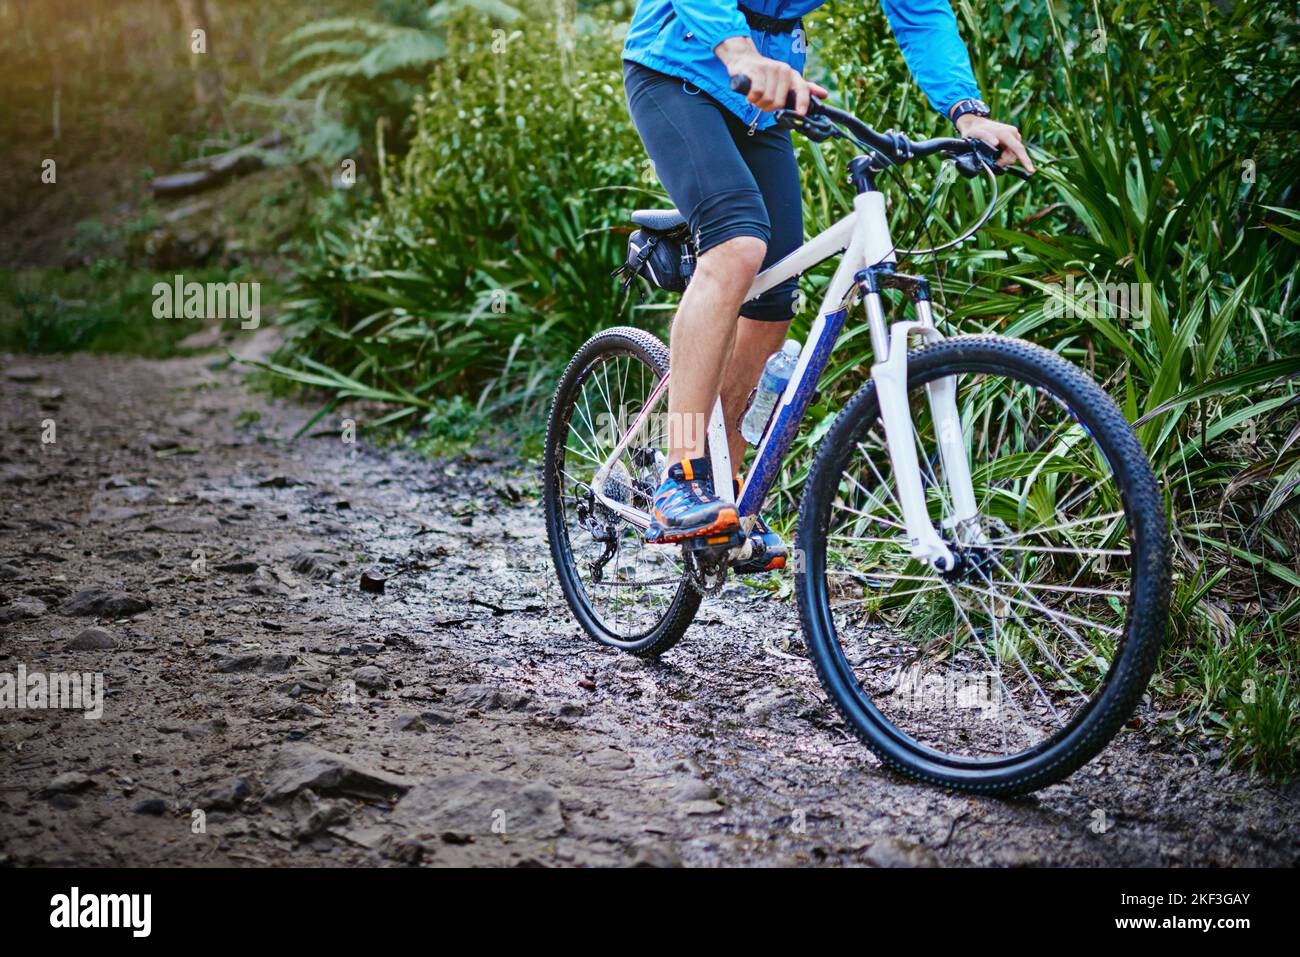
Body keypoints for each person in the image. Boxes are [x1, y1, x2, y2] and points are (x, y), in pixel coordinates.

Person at [622, 0, 1034, 570]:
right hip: (679, 68)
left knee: (773, 299)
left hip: (765, 96)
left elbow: (922, 14)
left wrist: (967, 113)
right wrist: (737, 50)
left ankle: (726, 493)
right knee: (738, 246)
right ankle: (680, 471)